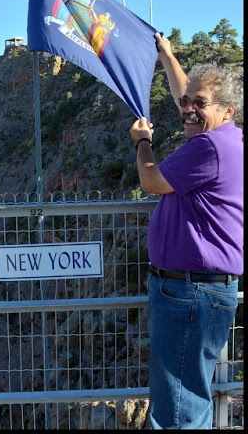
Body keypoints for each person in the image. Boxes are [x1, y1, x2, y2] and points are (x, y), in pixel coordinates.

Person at [129, 33, 241, 429]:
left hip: (190, 293)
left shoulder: (209, 147)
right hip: (195, 291)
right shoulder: (223, 137)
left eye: (200, 103)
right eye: (185, 102)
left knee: (178, 408)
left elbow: (152, 181)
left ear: (228, 110)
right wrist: (167, 56)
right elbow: (187, 98)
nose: (189, 109)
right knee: (187, 396)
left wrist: (142, 142)